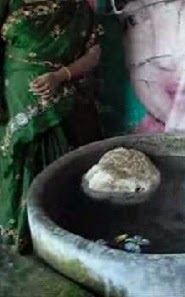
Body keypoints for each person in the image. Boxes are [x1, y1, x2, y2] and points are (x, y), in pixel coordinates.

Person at [0, 0, 103, 253]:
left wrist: (61, 76)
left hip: (64, 96)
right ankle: (23, 233)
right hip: (16, 92)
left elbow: (94, 54)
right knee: (22, 156)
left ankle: (60, 233)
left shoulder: (77, 8)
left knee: (61, 159)